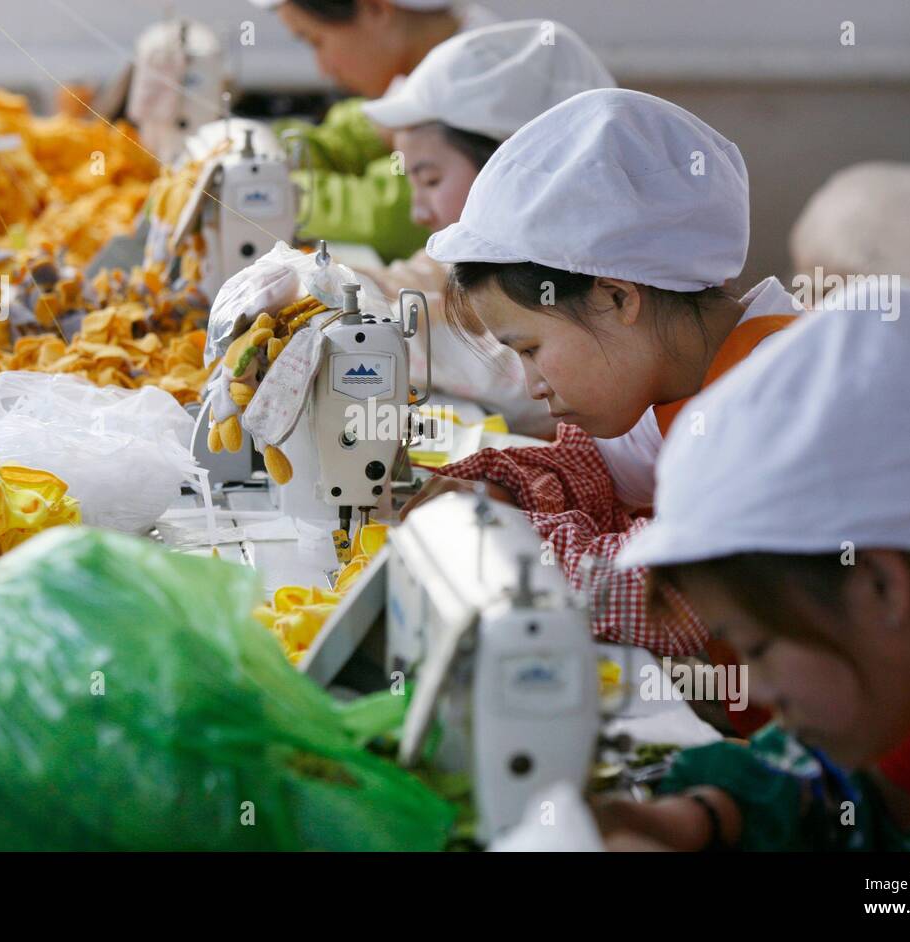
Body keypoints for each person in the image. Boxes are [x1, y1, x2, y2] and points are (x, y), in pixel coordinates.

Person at [599, 284, 910, 852]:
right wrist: (695, 819)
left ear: (882, 586)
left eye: (757, 647)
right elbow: (852, 789)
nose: (754, 686)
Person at [401, 88, 807, 656]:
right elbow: (589, 469)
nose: (530, 384)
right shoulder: (685, 373)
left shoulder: (783, 399)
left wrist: (497, 536)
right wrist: (484, 484)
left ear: (617, 297)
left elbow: (671, 598)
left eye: (531, 348)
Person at [353, 19, 615, 437]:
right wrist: (339, 281)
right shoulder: (479, 251)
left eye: (432, 180)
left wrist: (380, 337)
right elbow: (424, 277)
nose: (418, 212)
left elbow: (519, 385)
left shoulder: (580, 272)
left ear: (508, 168)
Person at [252, 0, 498, 261]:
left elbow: (388, 214)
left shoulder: (479, 84)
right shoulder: (418, 68)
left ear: (376, 8)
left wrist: (267, 193)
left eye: (316, 41)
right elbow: (347, 140)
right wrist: (269, 155)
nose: (323, 69)